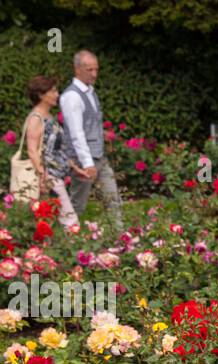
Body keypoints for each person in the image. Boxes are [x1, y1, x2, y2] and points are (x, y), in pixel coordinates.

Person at [59, 50, 123, 230]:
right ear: (77, 69)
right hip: (82, 160)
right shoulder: (71, 96)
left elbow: (90, 124)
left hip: (99, 156)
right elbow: (76, 133)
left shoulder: (90, 92)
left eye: (96, 69)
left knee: (113, 199)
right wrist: (87, 163)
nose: (94, 74)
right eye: (89, 70)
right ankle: (64, 239)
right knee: (77, 205)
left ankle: (120, 237)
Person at [22, 75, 85, 230]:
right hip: (49, 177)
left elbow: (58, 150)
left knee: (46, 220)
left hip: (56, 175)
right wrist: (43, 176)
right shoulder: (35, 118)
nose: (57, 94)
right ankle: (80, 251)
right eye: (53, 91)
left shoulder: (49, 117)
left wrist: (75, 168)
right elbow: (32, 150)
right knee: (70, 221)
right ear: (41, 95)